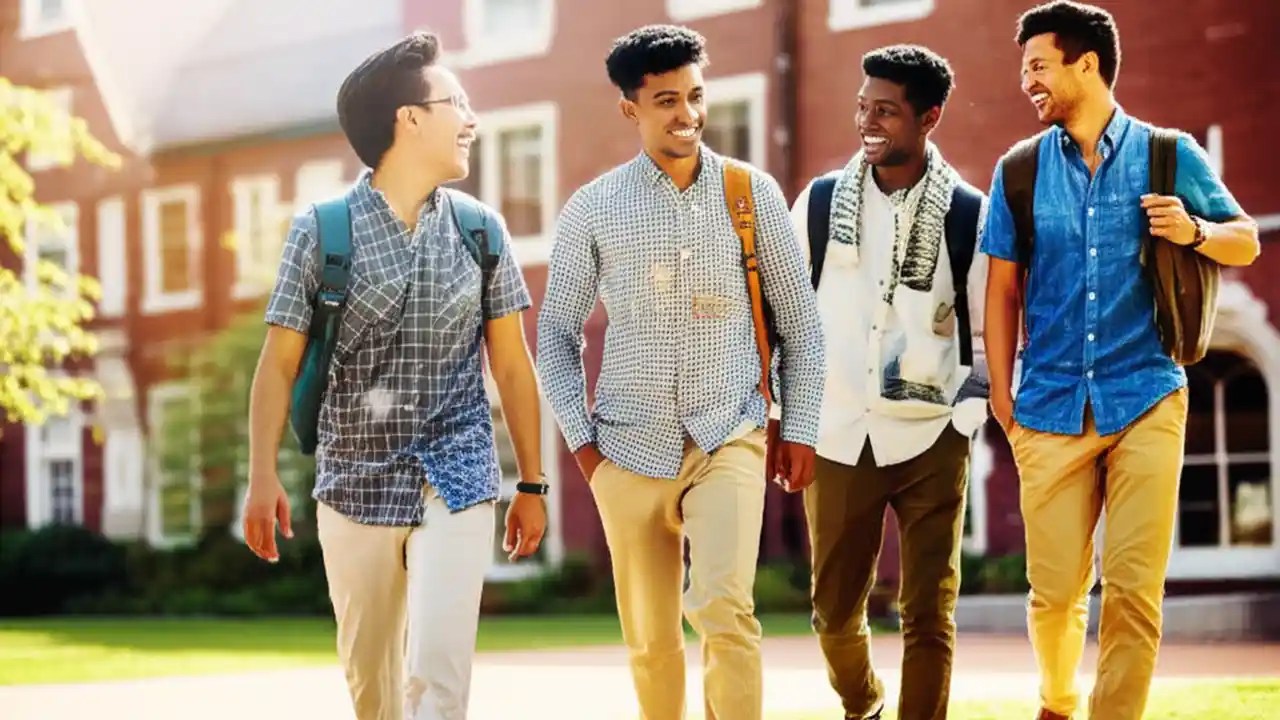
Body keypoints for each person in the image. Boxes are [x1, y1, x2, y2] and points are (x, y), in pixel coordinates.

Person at [242, 31, 548, 720]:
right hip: (354, 481)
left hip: (459, 473)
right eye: (457, 103)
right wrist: (262, 476)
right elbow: (278, 364)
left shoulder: (481, 230)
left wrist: (530, 481)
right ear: (408, 119)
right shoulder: (321, 231)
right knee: (373, 692)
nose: (472, 120)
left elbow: (511, 363)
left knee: (438, 681)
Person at [535, 24, 825, 720]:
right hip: (626, 450)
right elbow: (554, 332)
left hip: (730, 432)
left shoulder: (751, 195)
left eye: (696, 96)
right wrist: (584, 447)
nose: (688, 115)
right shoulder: (593, 208)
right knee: (650, 640)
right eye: (666, 100)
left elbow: (803, 327)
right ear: (630, 109)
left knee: (725, 608)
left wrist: (801, 427)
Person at [980, 3, 1260, 719]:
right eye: (1024, 71)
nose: (1028, 83)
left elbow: (1246, 241)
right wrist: (1003, 398)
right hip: (1047, 407)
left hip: (1148, 396)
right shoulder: (1017, 170)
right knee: (1055, 598)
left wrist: (1194, 229)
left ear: (1087, 65)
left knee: (1135, 590)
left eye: (1038, 66)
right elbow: (1003, 287)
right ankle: (1058, 696)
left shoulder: (1170, 155)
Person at [788, 44, 989, 720]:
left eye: (886, 111)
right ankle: (864, 701)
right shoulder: (818, 205)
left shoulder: (969, 213)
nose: (867, 122)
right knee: (832, 614)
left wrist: (966, 416)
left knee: (929, 611)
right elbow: (787, 318)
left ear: (929, 117)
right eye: (862, 107)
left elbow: (988, 329)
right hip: (838, 432)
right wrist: (792, 418)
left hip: (933, 438)